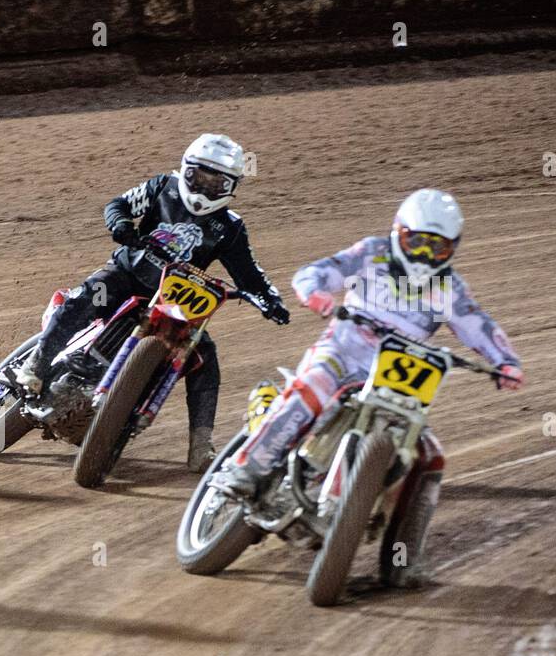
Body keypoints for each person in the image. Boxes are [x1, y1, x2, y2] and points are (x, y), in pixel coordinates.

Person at [212, 188, 523, 502]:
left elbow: (478, 325)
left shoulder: (450, 287)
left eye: (437, 249)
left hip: (393, 375)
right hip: (343, 350)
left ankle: (356, 503)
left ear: (452, 249)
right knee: (315, 385)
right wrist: (315, 292)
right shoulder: (373, 252)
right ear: (399, 232)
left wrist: (505, 362)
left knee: (415, 436)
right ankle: (246, 467)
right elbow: (317, 272)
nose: (424, 255)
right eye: (416, 242)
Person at [12, 133, 290, 471]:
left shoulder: (230, 228)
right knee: (85, 298)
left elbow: (249, 274)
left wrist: (268, 300)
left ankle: (201, 446)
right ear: (186, 170)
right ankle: (37, 365)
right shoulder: (164, 187)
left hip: (175, 304)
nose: (205, 187)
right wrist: (121, 224)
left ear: (232, 185)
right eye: (199, 177)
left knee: (206, 357)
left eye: (217, 182)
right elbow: (118, 204)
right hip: (127, 276)